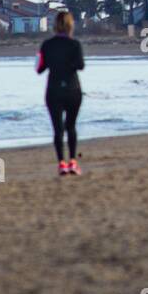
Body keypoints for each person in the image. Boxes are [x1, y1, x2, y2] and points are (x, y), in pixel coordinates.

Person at [36, 11, 85, 176]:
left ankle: (61, 164)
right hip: (73, 90)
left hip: (53, 90)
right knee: (70, 126)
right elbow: (80, 66)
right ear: (71, 25)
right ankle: (73, 162)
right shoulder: (75, 44)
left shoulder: (46, 45)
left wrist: (53, 61)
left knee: (57, 129)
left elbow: (39, 68)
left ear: (54, 26)